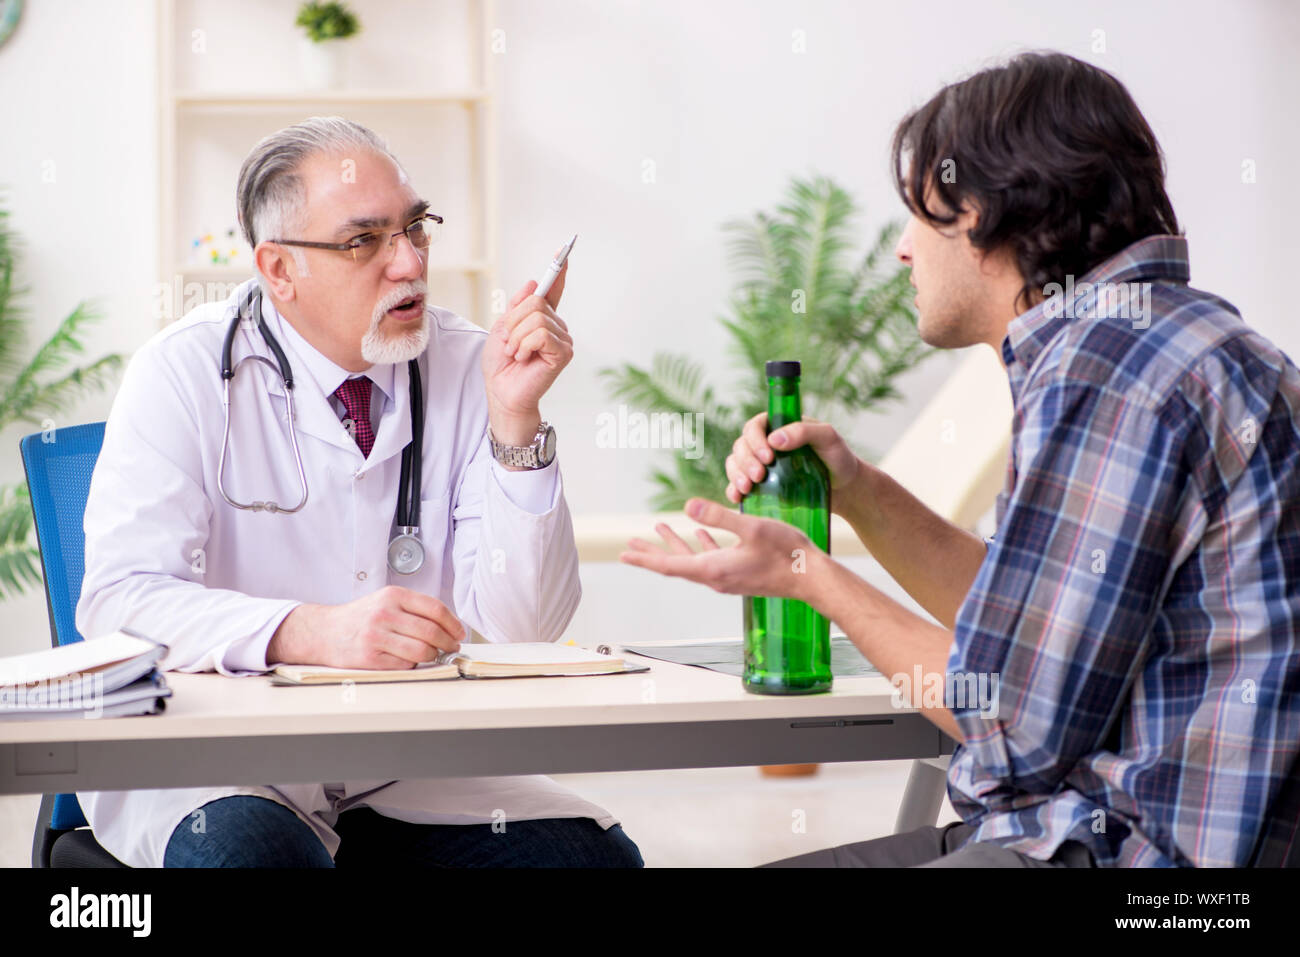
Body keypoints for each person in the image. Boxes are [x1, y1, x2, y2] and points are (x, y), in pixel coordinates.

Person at [621, 51, 1300, 868]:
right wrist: (861, 493)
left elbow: (1011, 720)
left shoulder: (1110, 372)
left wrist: (809, 574)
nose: (903, 251)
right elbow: (1037, 632)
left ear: (987, 213)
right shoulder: (1174, 339)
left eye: (918, 214)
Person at [76, 116, 643, 868]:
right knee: (254, 858)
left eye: (415, 228)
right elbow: (119, 599)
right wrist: (307, 632)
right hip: (230, 766)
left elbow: (521, 632)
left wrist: (514, 421)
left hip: (408, 764)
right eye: (363, 240)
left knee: (587, 860)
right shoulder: (181, 373)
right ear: (278, 270)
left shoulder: (475, 365)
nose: (408, 263)